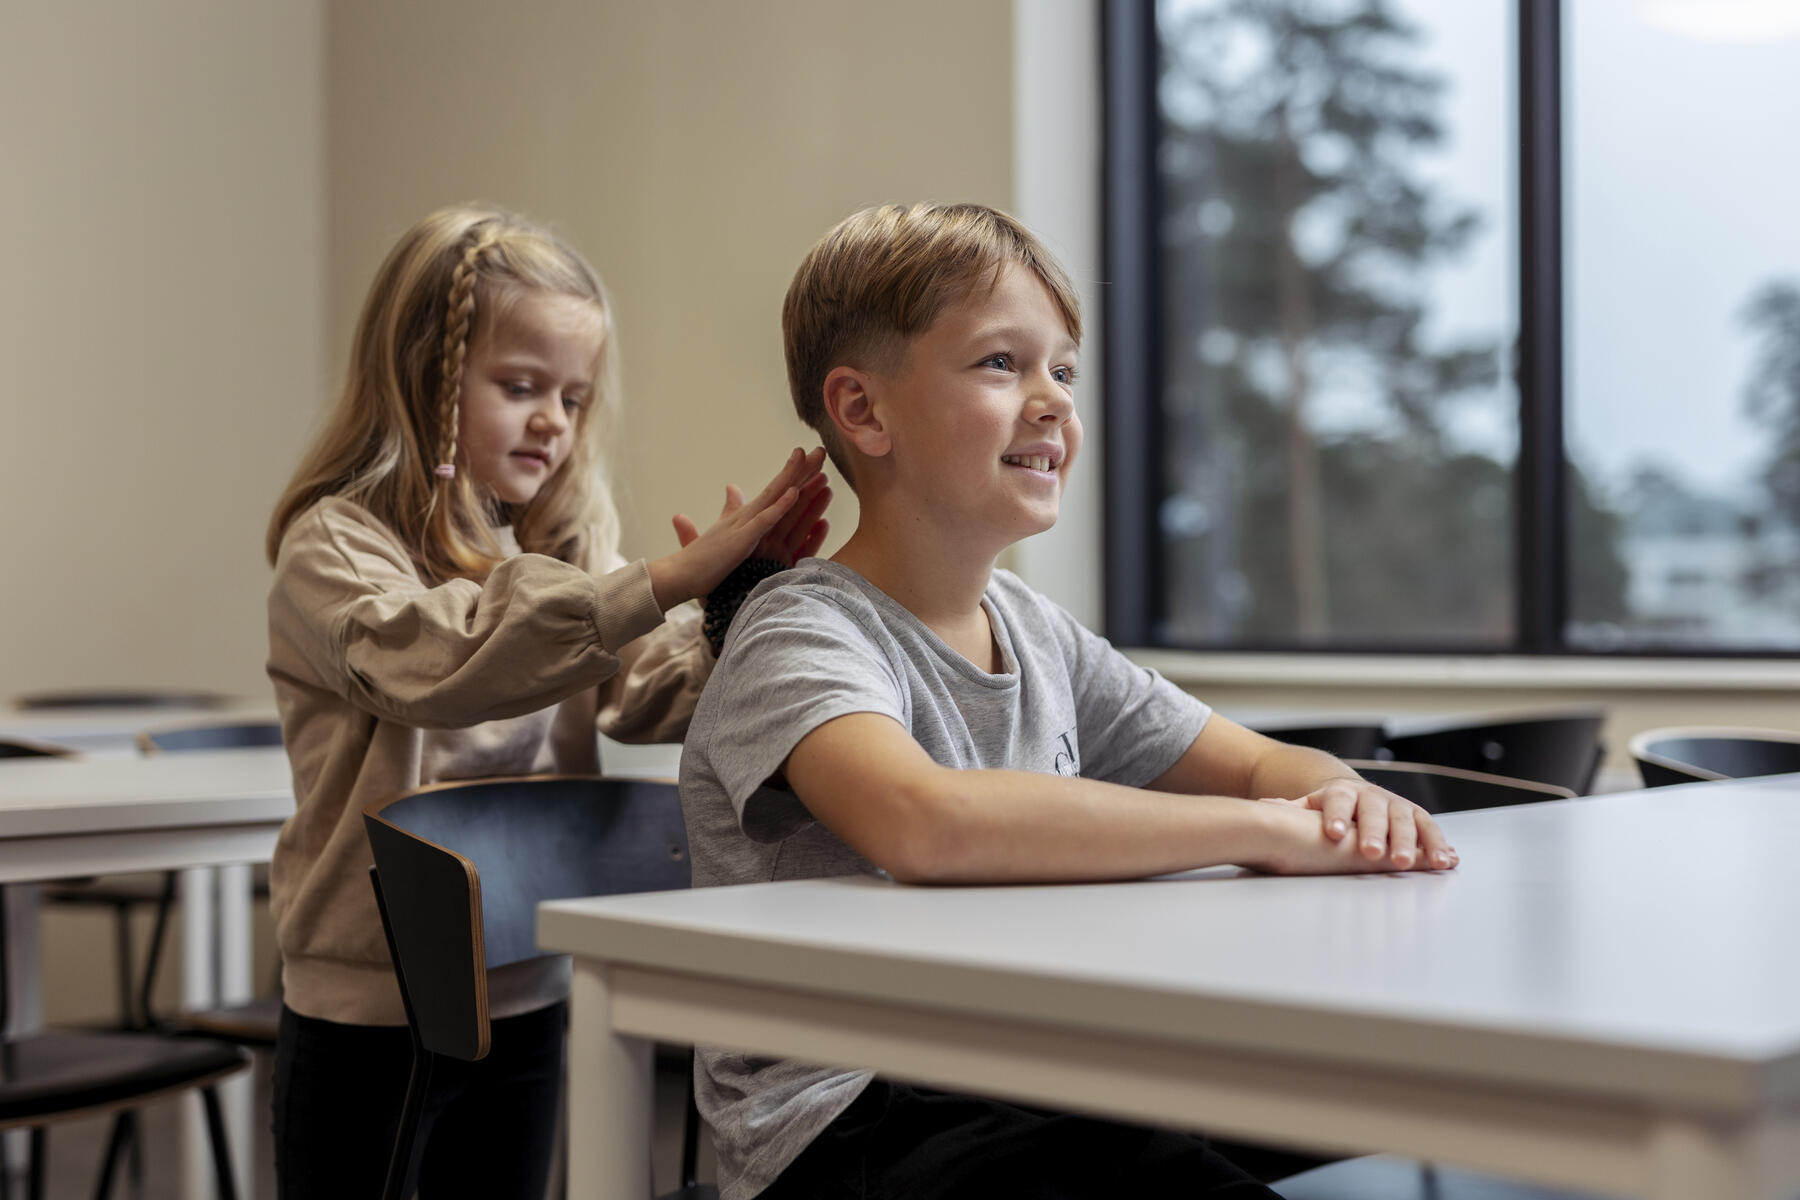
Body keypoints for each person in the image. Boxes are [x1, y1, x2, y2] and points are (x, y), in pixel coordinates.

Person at [678, 202, 1457, 1200]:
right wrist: (1262, 829)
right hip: (850, 1118)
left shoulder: (1036, 628)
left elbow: (1263, 762)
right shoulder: (799, 630)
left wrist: (1342, 792)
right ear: (864, 413)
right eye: (1002, 363)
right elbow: (928, 824)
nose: (1051, 402)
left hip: (1030, 1071)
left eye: (1064, 371)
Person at [263, 203, 829, 1200]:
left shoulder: (561, 555)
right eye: (520, 386)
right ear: (424, 380)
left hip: (532, 974)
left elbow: (648, 696)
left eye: (572, 397)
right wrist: (657, 582)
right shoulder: (335, 550)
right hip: (372, 1006)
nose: (552, 423)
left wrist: (733, 612)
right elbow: (444, 662)